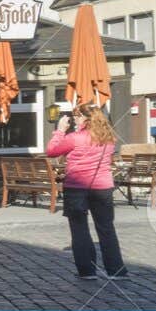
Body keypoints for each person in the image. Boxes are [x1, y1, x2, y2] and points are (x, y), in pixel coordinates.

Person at [47, 104, 128, 280]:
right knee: (106, 229)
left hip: (76, 188)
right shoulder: (109, 138)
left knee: (79, 229)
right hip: (103, 187)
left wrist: (60, 131)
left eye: (76, 116)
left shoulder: (75, 138)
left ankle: (87, 271)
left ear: (85, 119)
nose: (74, 119)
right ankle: (116, 270)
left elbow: (51, 152)